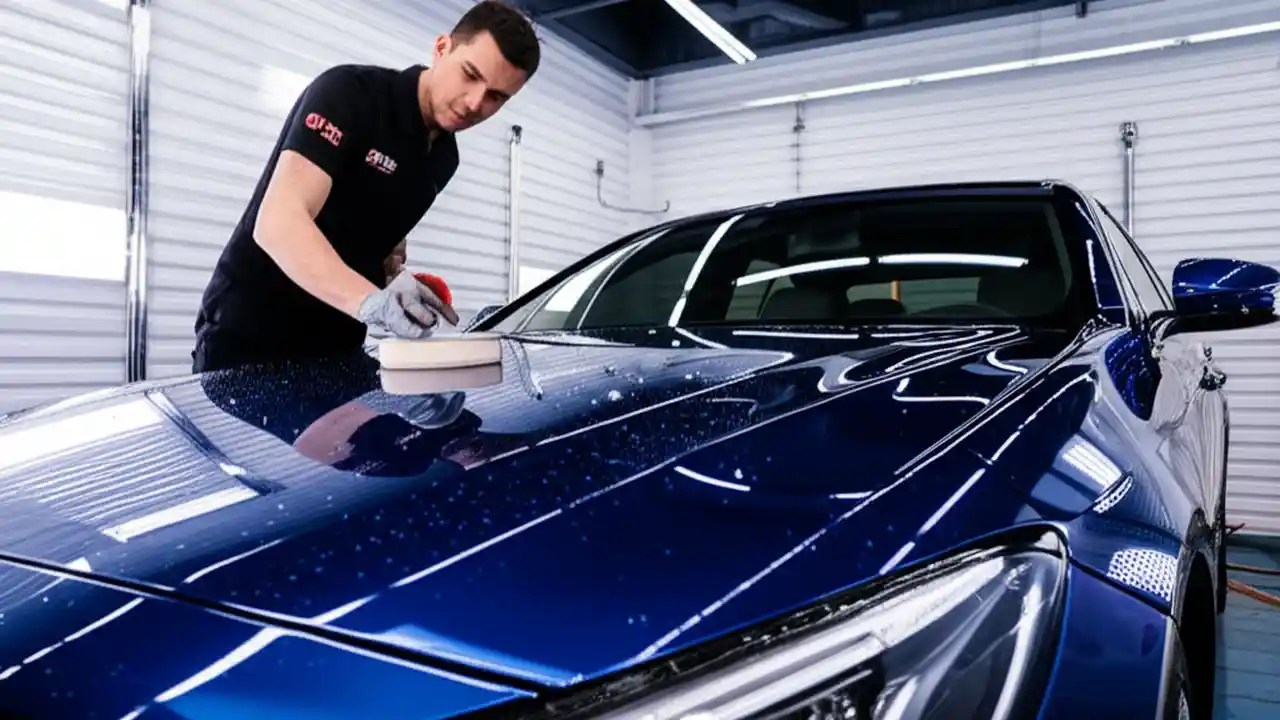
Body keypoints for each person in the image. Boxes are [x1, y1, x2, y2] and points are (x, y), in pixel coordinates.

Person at [191, 0, 540, 373]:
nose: (475, 103)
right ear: (441, 48)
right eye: (470, 74)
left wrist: (395, 283)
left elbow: (378, 238)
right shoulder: (350, 94)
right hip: (250, 338)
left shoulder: (443, 160)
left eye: (496, 97)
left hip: (338, 345)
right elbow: (279, 222)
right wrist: (371, 302)